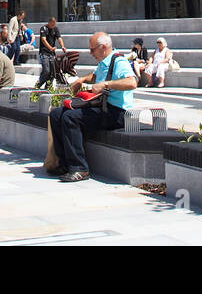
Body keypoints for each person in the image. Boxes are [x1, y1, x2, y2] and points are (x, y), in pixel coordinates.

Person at [48, 32, 136, 182]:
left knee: (70, 118)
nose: (90, 53)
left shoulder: (119, 61)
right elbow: (94, 77)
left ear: (102, 47)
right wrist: (81, 80)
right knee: (56, 114)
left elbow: (131, 82)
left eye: (92, 49)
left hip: (116, 112)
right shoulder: (104, 62)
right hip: (102, 107)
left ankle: (80, 168)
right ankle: (65, 164)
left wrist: (106, 84)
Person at [35, 17, 64, 88]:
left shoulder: (55, 29)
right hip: (44, 52)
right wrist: (50, 48)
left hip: (51, 53)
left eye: (54, 24)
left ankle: (48, 87)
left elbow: (59, 38)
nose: (53, 26)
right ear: (49, 22)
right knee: (46, 70)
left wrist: (62, 46)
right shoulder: (43, 28)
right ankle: (38, 85)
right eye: (52, 24)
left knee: (52, 72)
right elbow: (43, 40)